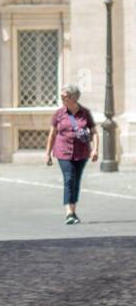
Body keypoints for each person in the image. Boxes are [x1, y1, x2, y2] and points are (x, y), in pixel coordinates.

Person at [45, 84, 98, 224]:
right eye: (61, 95)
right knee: (69, 178)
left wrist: (95, 149)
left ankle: (73, 211)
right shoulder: (59, 114)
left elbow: (94, 133)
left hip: (82, 152)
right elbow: (52, 134)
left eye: (64, 96)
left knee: (76, 181)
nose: (61, 98)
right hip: (63, 151)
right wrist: (48, 153)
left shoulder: (85, 113)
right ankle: (68, 212)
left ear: (73, 98)